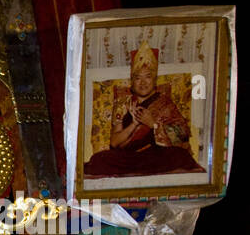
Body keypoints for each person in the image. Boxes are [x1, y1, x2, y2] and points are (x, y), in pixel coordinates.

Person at [83, 41, 205, 179]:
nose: (143, 83)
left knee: (180, 156)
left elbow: (182, 134)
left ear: (154, 80)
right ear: (132, 81)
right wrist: (133, 125)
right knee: (100, 159)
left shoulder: (165, 103)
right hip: (128, 158)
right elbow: (114, 143)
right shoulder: (123, 103)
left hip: (156, 156)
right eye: (137, 78)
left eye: (148, 77)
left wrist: (153, 124)